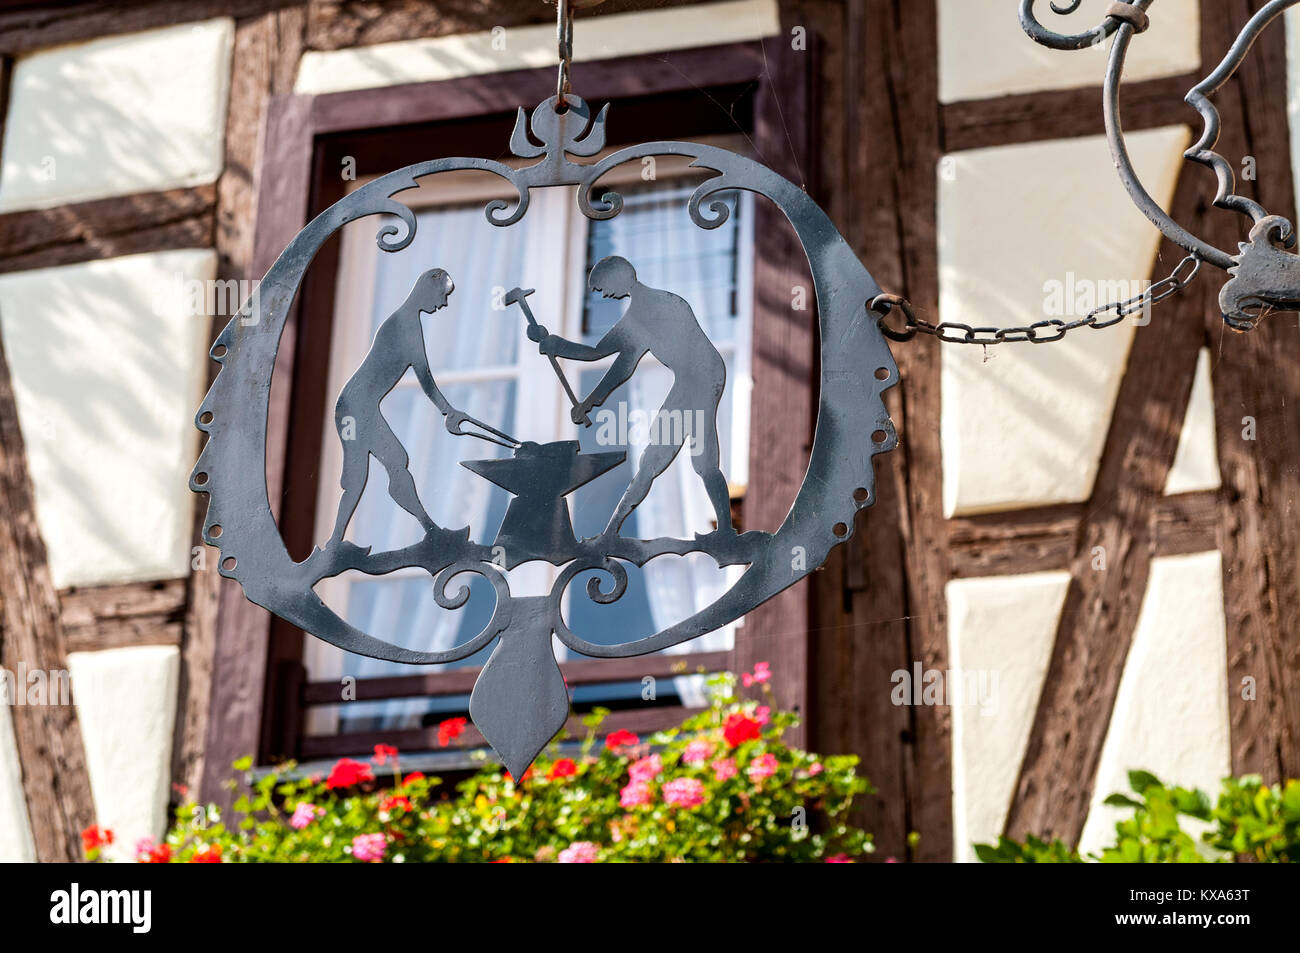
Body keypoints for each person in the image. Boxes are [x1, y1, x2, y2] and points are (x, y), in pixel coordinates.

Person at [527, 256, 734, 540]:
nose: (602, 295)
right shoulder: (643, 313)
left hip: (703, 378)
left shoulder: (653, 309)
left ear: (617, 279)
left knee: (701, 461)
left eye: (601, 288)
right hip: (691, 381)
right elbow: (621, 366)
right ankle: (612, 532)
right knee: (655, 461)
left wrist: (557, 345)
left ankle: (725, 531)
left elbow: (598, 353)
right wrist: (589, 400)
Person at [327, 268, 515, 547]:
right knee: (365, 474)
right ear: (427, 290)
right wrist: (447, 409)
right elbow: (424, 376)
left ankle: (423, 531)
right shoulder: (403, 325)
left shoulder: (409, 323)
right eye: (442, 296)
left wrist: (448, 411)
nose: (444, 303)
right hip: (355, 407)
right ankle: (337, 544)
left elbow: (424, 376)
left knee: (389, 465)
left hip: (359, 405)